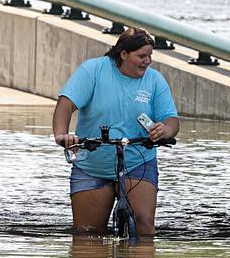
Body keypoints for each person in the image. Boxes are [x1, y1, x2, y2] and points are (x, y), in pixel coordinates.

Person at [52, 27, 181, 236]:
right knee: (87, 234)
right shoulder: (93, 70)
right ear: (123, 54)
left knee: (144, 225)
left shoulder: (155, 80)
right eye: (141, 56)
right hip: (92, 163)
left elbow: (172, 120)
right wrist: (61, 135)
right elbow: (65, 105)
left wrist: (165, 130)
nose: (147, 61)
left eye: (150, 56)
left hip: (138, 162)